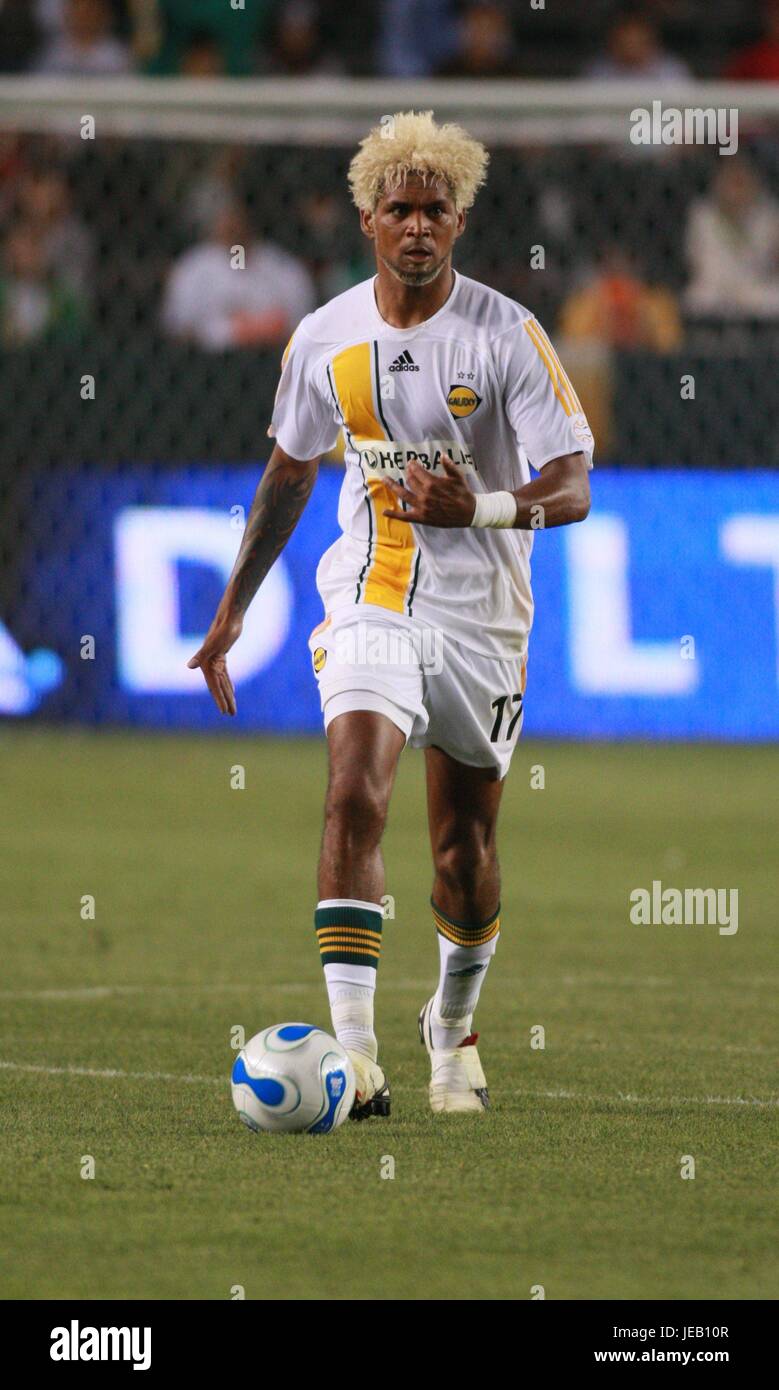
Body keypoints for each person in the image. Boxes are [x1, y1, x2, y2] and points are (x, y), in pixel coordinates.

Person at [188, 111, 593, 1118]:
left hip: (483, 617)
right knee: (352, 793)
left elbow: (574, 482)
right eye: (397, 207)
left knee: (464, 851)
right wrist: (234, 607)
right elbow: (289, 470)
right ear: (367, 219)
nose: (415, 224)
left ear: (457, 223)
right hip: (368, 590)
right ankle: (357, 1058)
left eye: (434, 209)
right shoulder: (324, 337)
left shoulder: (506, 334)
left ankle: (449, 1025)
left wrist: (485, 506)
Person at [161, 201, 316, 351]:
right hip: (210, 357)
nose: (234, 227)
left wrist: (258, 328)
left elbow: (303, 319)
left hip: (272, 355)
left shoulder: (280, 265)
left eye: (238, 220)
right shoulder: (193, 267)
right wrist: (228, 330)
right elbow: (178, 325)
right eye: (227, 221)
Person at [684, 159, 779, 317]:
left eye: (741, 183)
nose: (736, 191)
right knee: (698, 299)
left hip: (756, 286)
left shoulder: (768, 215)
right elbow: (695, 260)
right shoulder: (703, 216)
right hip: (714, 286)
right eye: (731, 183)